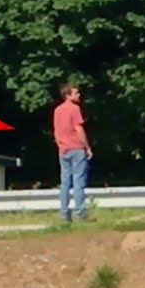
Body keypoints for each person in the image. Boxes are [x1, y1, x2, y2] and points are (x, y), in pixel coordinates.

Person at [53, 82, 93, 222]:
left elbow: (56, 130)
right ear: (68, 95)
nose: (79, 94)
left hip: (63, 149)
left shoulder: (57, 110)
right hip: (76, 148)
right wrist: (87, 147)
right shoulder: (74, 109)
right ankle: (81, 213)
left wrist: (60, 145)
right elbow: (79, 129)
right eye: (76, 93)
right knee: (78, 181)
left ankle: (64, 214)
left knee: (65, 183)